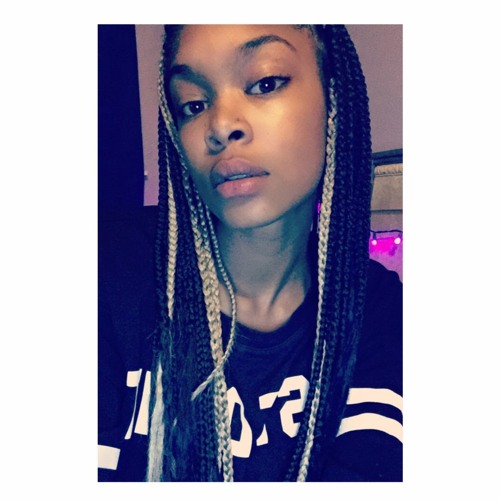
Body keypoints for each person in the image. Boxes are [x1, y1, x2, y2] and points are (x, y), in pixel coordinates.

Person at [98, 24, 403, 482]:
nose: (221, 125)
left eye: (264, 83)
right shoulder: (105, 273)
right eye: (193, 104)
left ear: (333, 97)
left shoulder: (381, 314)